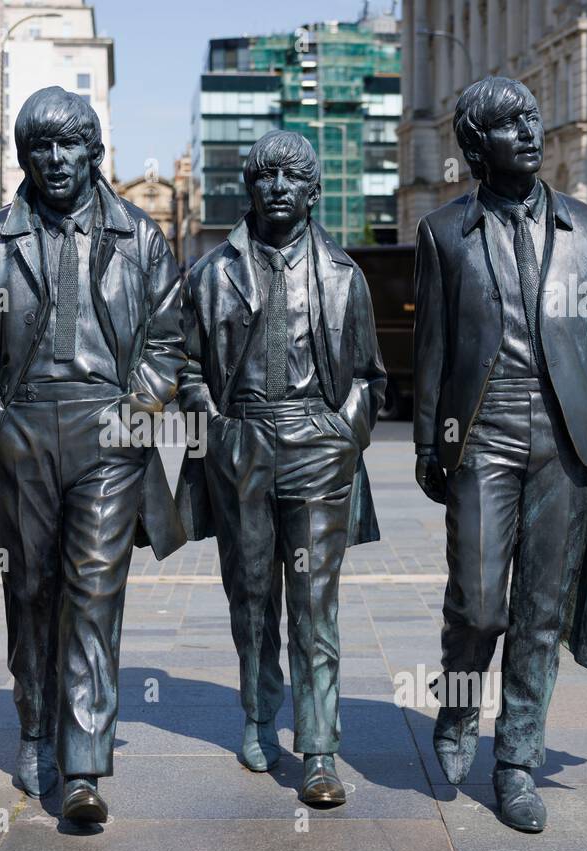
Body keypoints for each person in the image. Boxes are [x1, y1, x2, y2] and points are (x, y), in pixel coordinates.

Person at [0, 87, 186, 825]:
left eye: (69, 144)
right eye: (40, 147)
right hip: (20, 433)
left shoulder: (141, 238)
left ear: (94, 152)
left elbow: (168, 342)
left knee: (92, 594)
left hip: (109, 435)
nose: (54, 159)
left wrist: (134, 410)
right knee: (31, 594)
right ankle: (33, 723)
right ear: (24, 157)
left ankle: (82, 764)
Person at [413, 76, 587, 832]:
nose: (529, 132)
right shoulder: (446, 233)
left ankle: (516, 760)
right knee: (478, 604)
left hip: (566, 439)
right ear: (477, 146)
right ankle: (456, 710)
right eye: (508, 125)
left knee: (539, 611)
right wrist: (430, 441)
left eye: (533, 120)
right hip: (482, 432)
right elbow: (433, 351)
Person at [175, 130, 387, 806]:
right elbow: (184, 366)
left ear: (313, 189)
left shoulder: (343, 275)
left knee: (315, 604)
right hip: (242, 442)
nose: (276, 186)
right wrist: (216, 427)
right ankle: (260, 713)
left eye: (291, 175)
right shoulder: (211, 273)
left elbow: (369, 376)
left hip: (317, 447)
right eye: (264, 174)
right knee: (251, 597)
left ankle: (320, 747)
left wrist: (342, 432)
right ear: (249, 186)